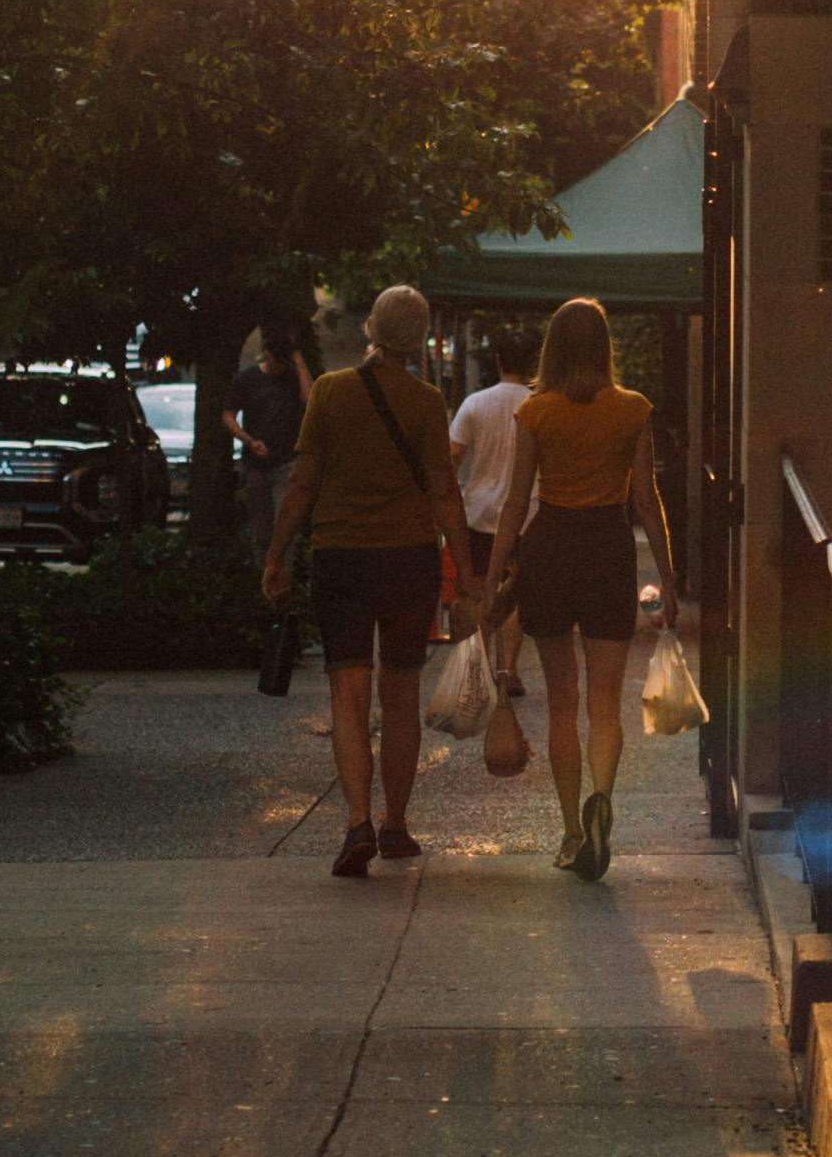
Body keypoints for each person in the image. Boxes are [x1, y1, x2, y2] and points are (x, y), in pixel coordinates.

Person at [262, 282, 477, 878]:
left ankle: (357, 821)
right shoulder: (427, 403)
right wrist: (468, 573)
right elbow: (443, 491)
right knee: (401, 692)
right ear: (420, 336)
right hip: (409, 559)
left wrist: (276, 553)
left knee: (348, 693)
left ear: (371, 331)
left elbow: (303, 482)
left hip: (342, 558)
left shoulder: (330, 393)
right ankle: (397, 824)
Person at [484, 291, 679, 881]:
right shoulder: (633, 409)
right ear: (603, 347)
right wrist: (668, 579)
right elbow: (647, 499)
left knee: (561, 702)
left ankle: (571, 831)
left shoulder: (536, 412)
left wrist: (492, 575)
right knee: (605, 701)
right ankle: (604, 800)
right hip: (606, 549)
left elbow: (517, 500)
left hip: (550, 547)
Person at [447, 321, 536, 714]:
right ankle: (509, 669)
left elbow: (451, 458)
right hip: (528, 516)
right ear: (533, 363)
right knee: (514, 594)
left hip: (479, 512)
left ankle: (478, 669)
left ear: (497, 360)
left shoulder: (474, 404)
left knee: (480, 590)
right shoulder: (539, 405)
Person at [232, 321, 307, 573]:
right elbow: (228, 414)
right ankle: (263, 579)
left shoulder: (293, 378)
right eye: (277, 362)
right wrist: (248, 440)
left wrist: (297, 361)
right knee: (262, 530)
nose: (279, 368)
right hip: (257, 464)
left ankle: (282, 578)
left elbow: (310, 398)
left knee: (285, 527)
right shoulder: (248, 379)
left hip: (286, 462)